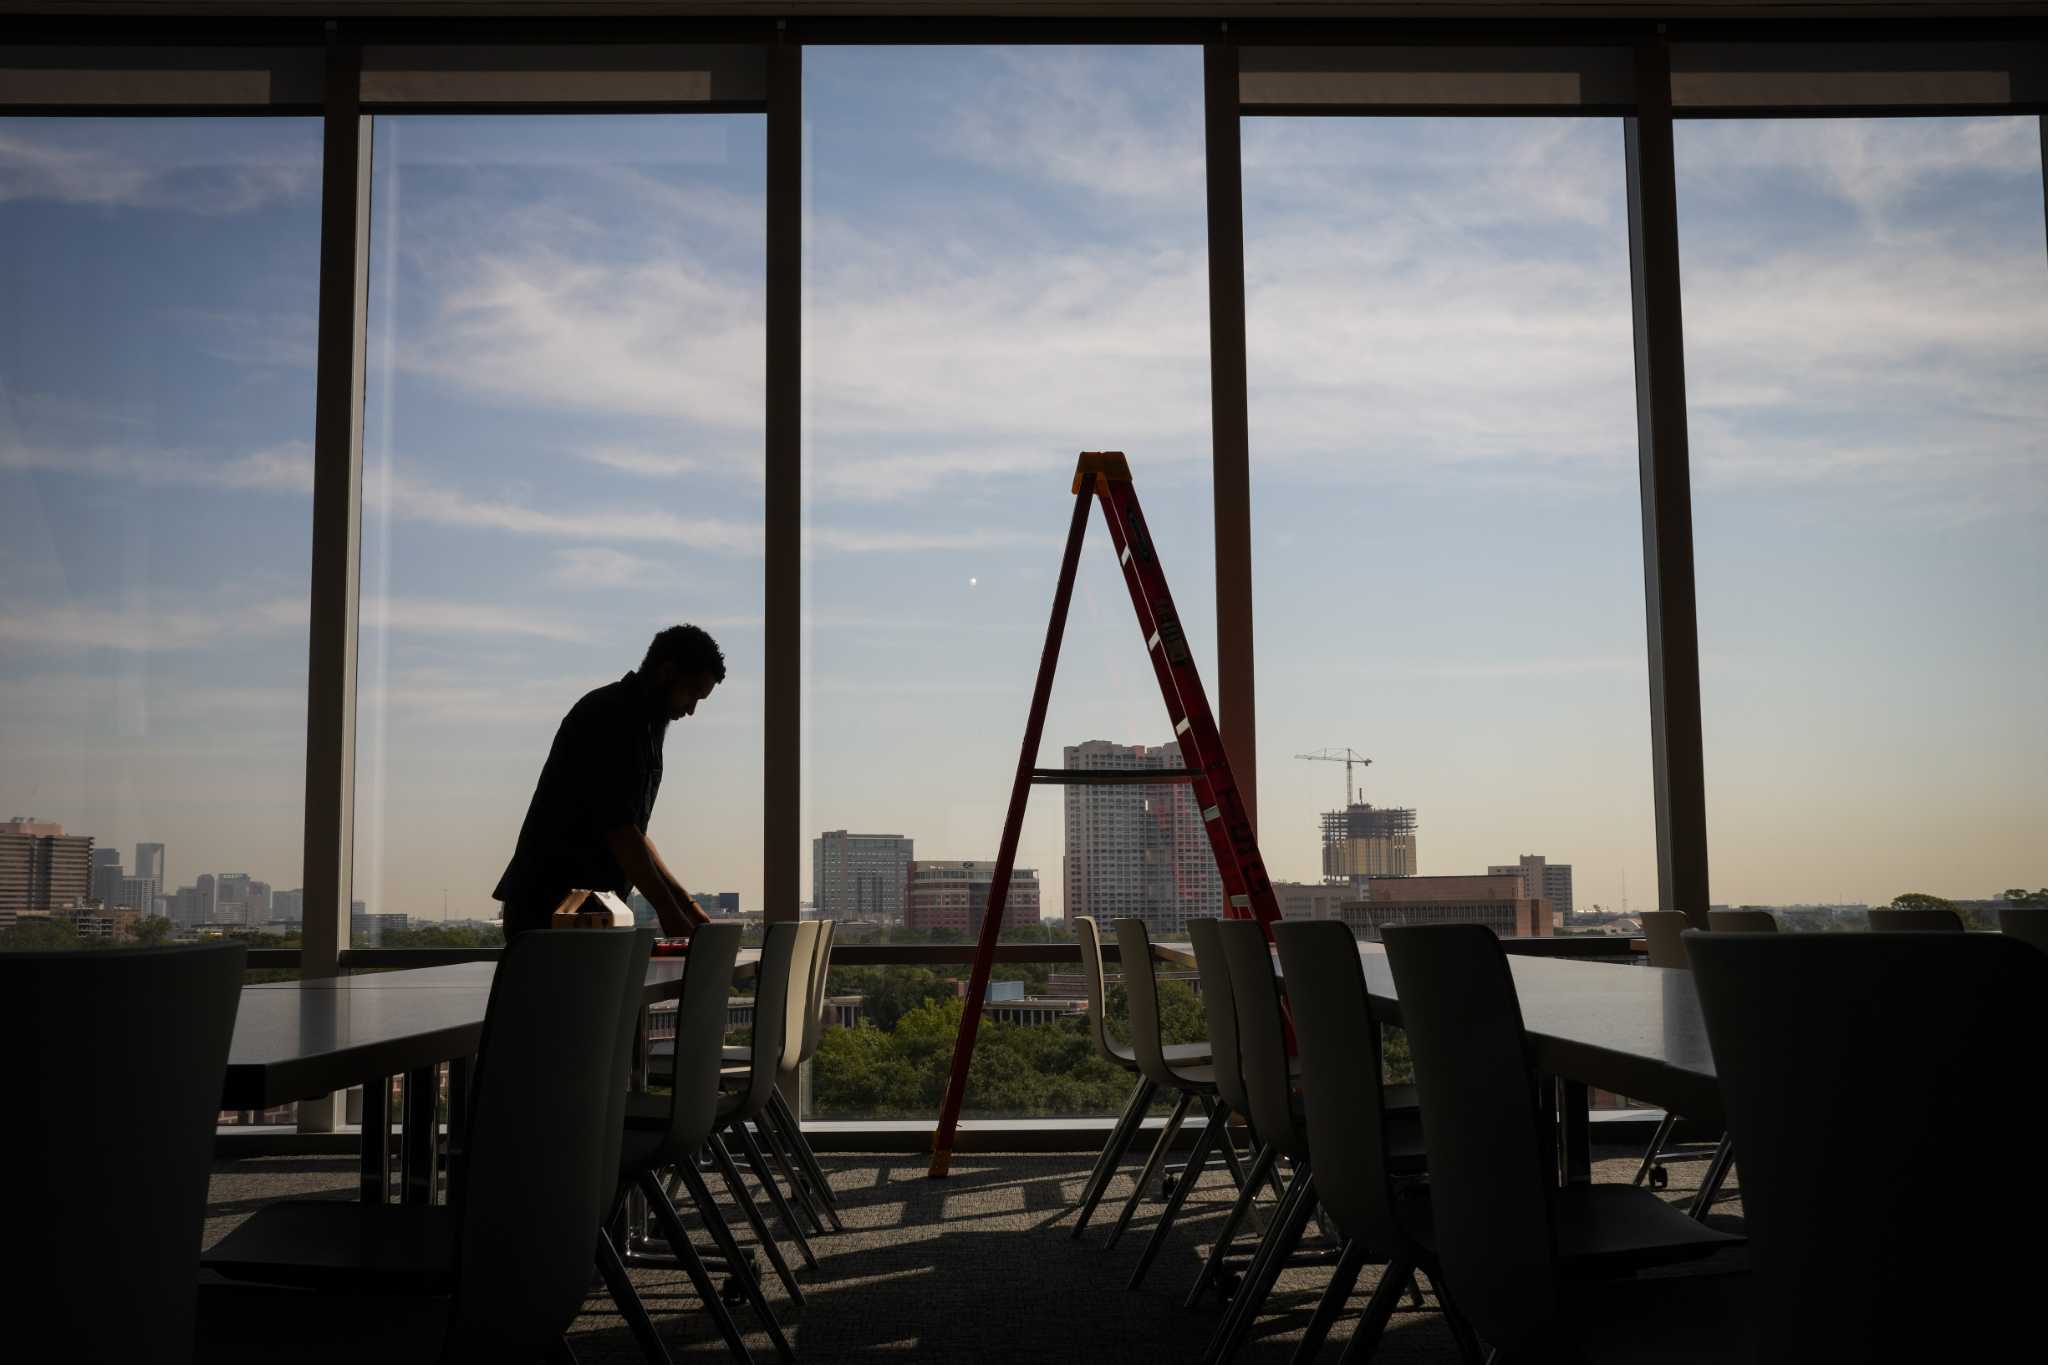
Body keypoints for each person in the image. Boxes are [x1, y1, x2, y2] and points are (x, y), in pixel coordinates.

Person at [493, 624, 725, 941]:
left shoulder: (644, 724)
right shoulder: (612, 716)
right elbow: (622, 833)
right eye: (691, 694)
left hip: (583, 909)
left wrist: (685, 905)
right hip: (550, 908)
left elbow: (633, 832)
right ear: (667, 672)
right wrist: (671, 912)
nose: (691, 709)